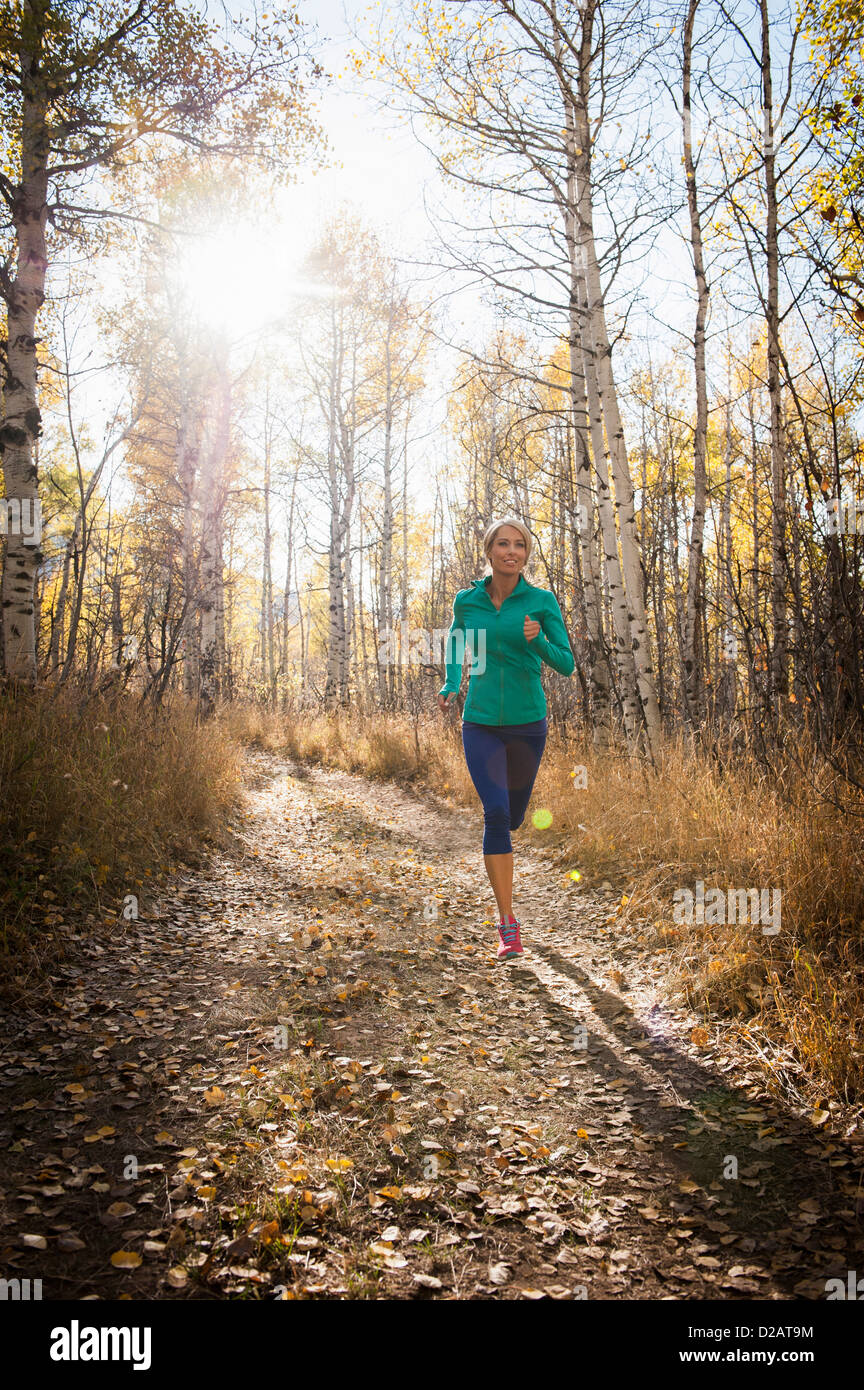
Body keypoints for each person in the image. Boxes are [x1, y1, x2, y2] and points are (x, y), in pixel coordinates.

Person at [436, 517, 575, 960]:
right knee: (495, 814)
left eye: (519, 545)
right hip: (479, 722)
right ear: (489, 550)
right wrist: (451, 682)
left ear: (526, 555)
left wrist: (537, 643)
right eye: (503, 544)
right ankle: (507, 924)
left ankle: (509, 831)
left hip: (527, 723)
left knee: (513, 816)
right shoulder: (468, 601)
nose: (511, 551)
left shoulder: (541, 601)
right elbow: (457, 640)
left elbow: (567, 664)